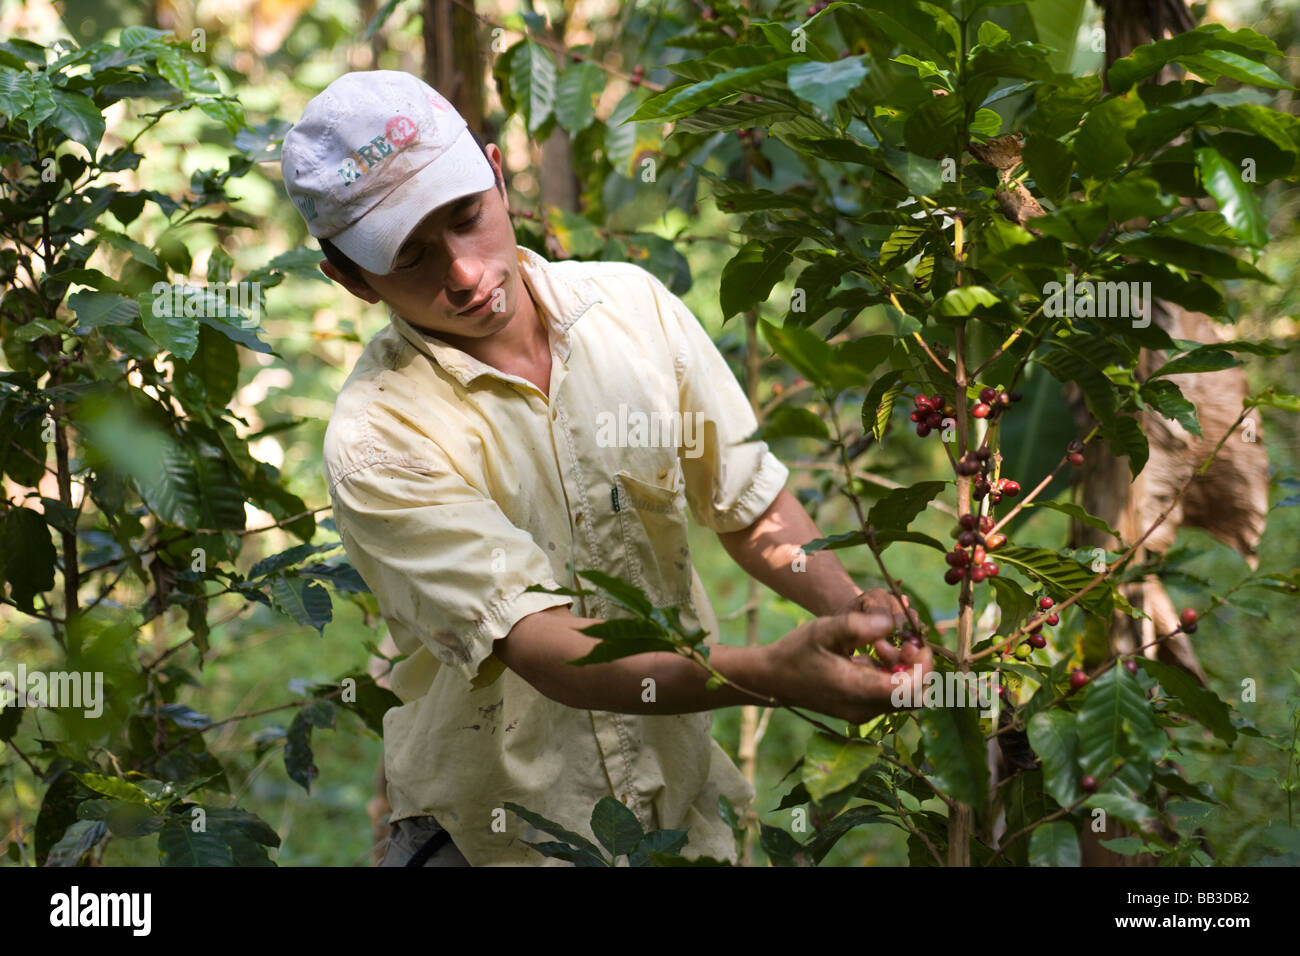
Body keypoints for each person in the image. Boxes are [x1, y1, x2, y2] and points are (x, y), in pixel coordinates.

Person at [280, 70, 933, 867]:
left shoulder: (634, 309)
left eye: (466, 218)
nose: (462, 272)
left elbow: (749, 505)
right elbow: (547, 645)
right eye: (410, 257)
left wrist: (857, 615)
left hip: (673, 809)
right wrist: (771, 675)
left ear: (495, 171)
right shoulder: (380, 436)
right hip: (495, 841)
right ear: (350, 278)